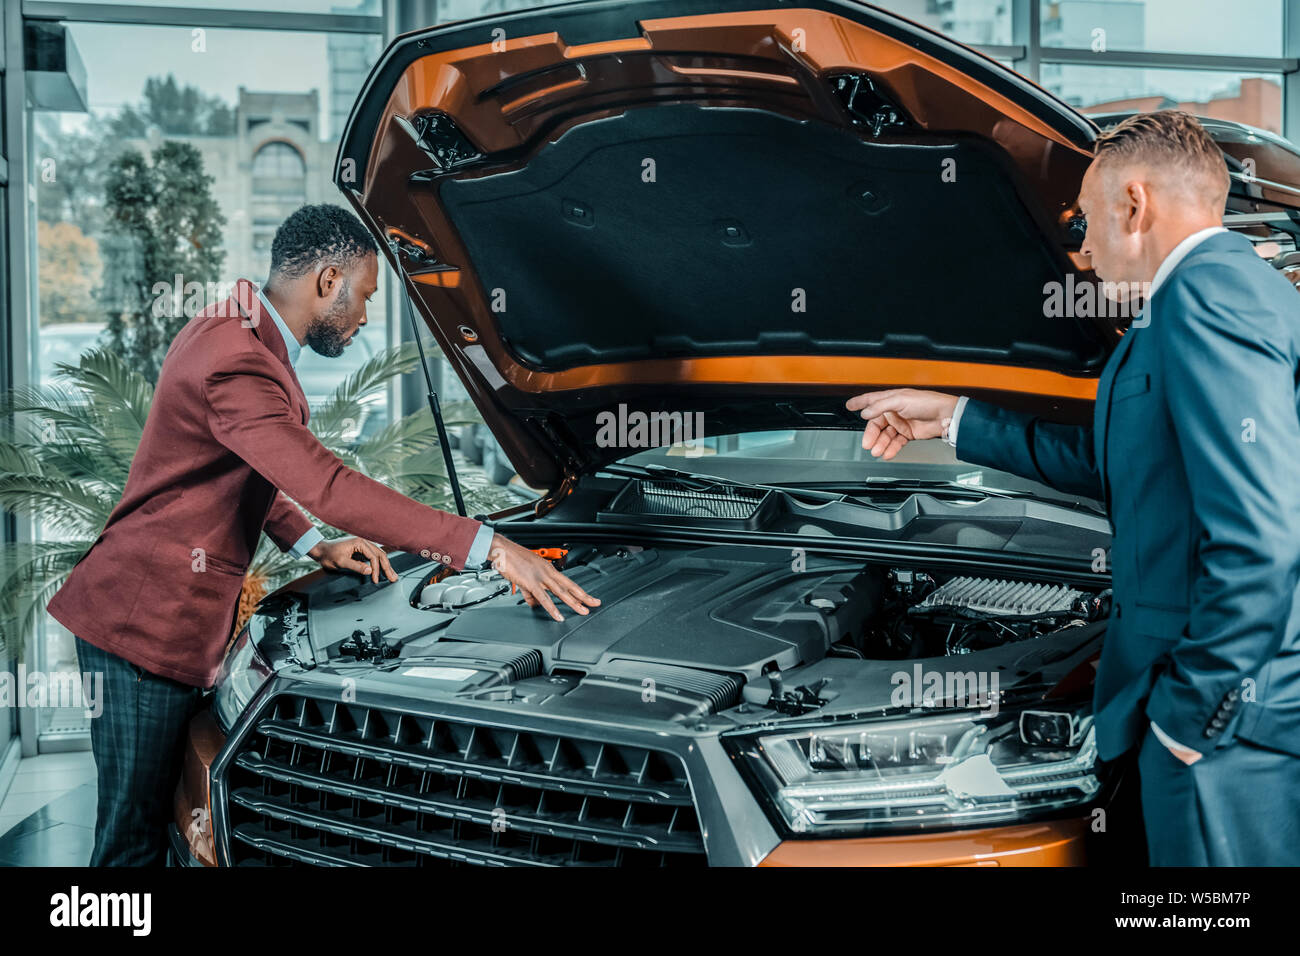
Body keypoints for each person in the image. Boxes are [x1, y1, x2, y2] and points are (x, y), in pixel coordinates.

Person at [47, 203, 599, 865]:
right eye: (363, 296)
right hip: (142, 629)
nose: (364, 317)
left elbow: (247, 466)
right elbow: (326, 484)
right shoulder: (238, 358)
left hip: (164, 621)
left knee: (165, 827)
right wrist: (487, 545)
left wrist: (315, 545)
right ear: (326, 279)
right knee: (129, 845)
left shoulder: (237, 329)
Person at [845, 111, 1300, 865]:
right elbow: (1127, 464)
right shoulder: (1221, 295)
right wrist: (956, 419)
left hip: (1225, 735)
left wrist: (1193, 718)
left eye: (1087, 222)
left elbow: (1264, 537)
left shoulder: (1209, 298)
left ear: (1135, 204)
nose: (1083, 251)